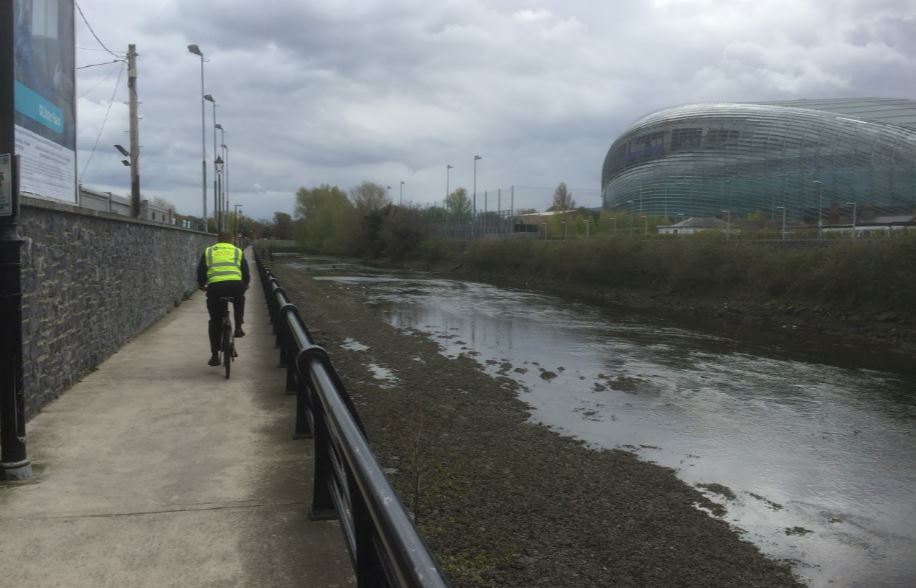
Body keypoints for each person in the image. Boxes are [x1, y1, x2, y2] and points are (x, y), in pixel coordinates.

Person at [197, 232, 250, 366]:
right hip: (235, 286)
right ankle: (238, 328)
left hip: (215, 288)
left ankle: (215, 356)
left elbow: (201, 271)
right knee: (240, 300)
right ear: (231, 240)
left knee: (215, 321)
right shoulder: (237, 251)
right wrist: (245, 284)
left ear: (218, 240)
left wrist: (202, 285)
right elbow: (245, 271)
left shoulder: (209, 251)